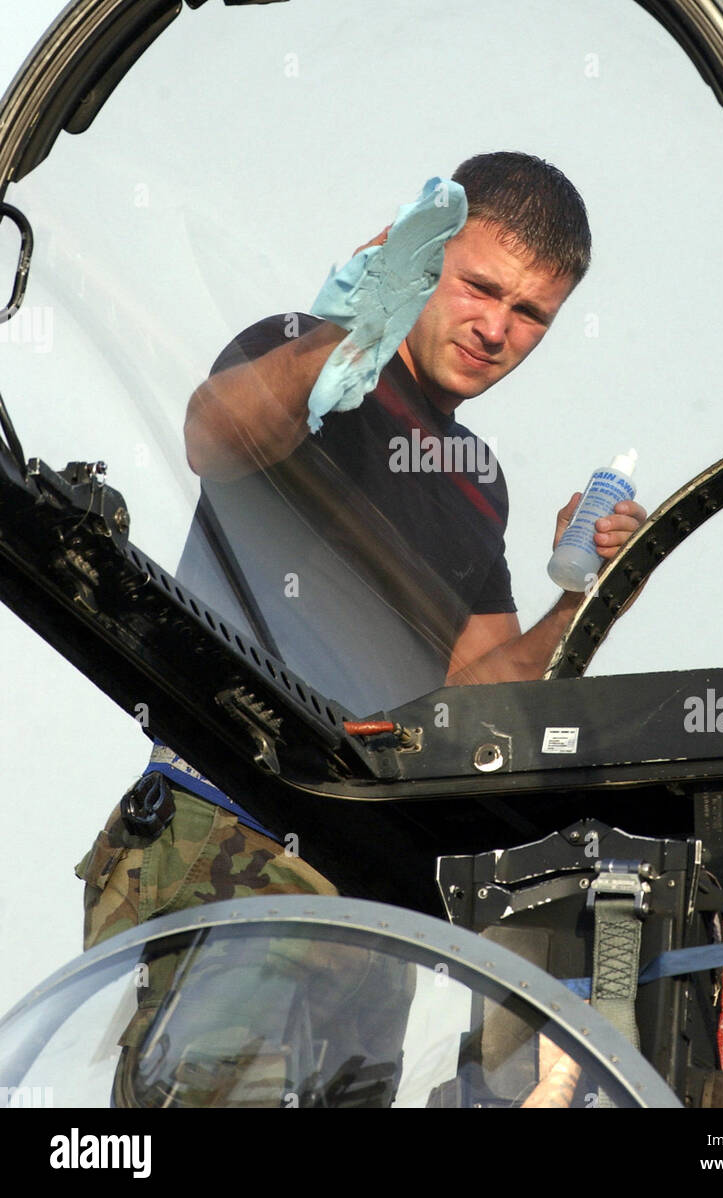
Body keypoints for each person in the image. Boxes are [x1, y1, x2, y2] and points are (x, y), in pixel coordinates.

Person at [75, 152, 646, 955]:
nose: (495, 330)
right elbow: (213, 438)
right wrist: (357, 324)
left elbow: (480, 699)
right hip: (227, 830)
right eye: (479, 287)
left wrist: (590, 600)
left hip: (366, 888)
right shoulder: (302, 353)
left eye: (530, 313)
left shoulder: (478, 481)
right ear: (420, 253)